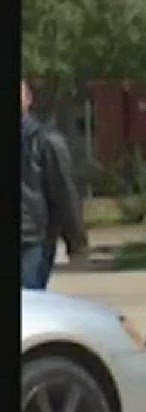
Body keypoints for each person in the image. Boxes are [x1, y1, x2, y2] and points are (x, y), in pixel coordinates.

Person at [22, 81, 87, 289]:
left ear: (28, 99)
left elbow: (65, 194)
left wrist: (76, 243)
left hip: (31, 243)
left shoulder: (46, 141)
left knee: (28, 307)